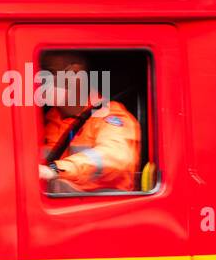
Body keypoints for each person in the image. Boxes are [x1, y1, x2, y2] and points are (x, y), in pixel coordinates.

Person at [37, 51, 141, 192]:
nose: (37, 78)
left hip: (106, 211)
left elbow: (116, 155)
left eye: (48, 71)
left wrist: (55, 169)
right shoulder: (45, 120)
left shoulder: (109, 115)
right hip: (53, 211)